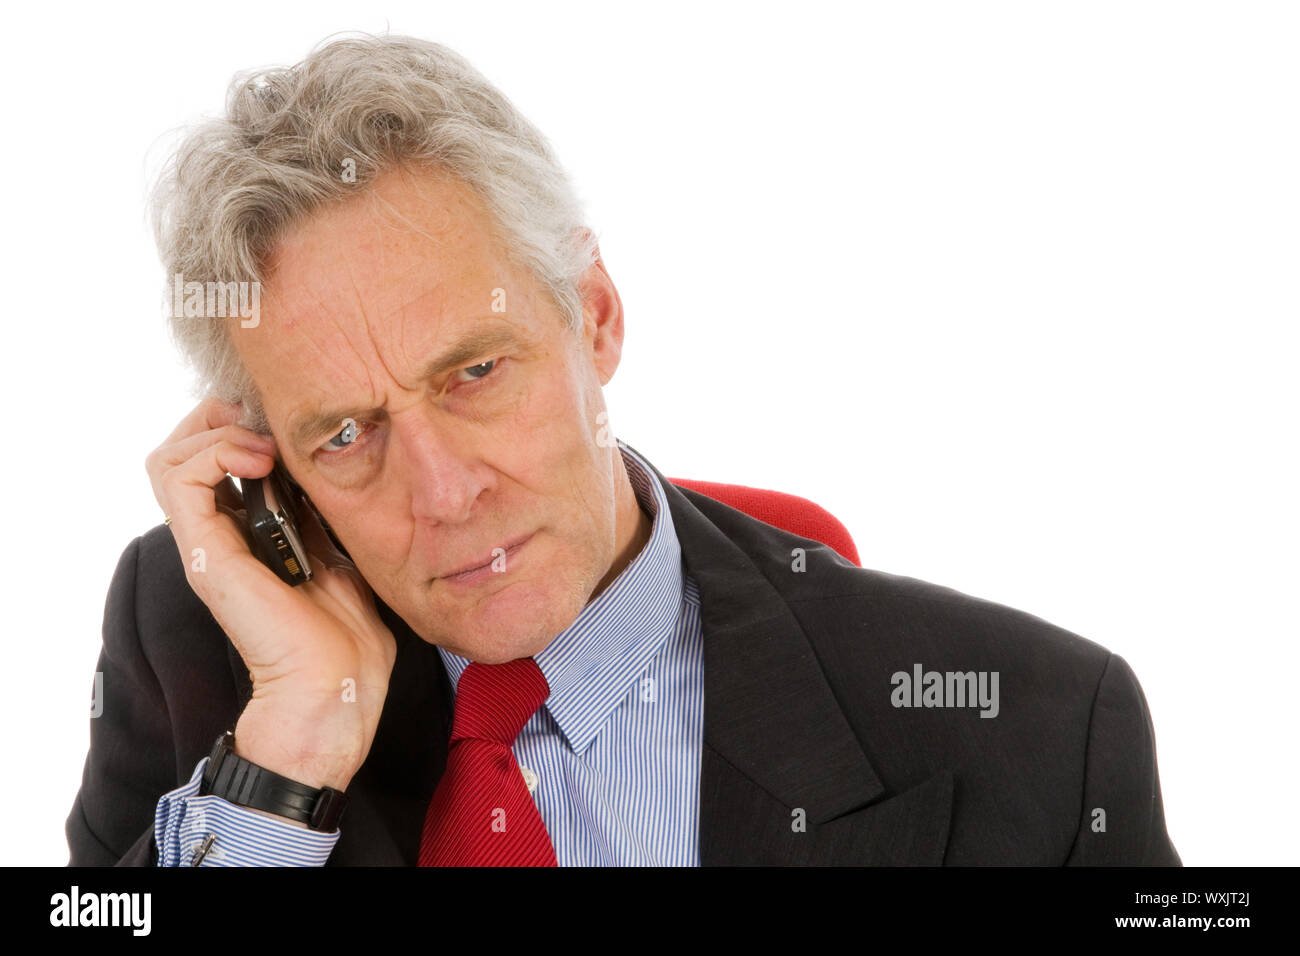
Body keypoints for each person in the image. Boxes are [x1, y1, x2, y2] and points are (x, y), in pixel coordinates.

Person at [66, 33, 1179, 866]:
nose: (444, 492)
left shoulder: (1044, 728)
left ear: (593, 316)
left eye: (475, 372)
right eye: (345, 434)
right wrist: (280, 770)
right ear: (275, 472)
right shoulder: (194, 651)